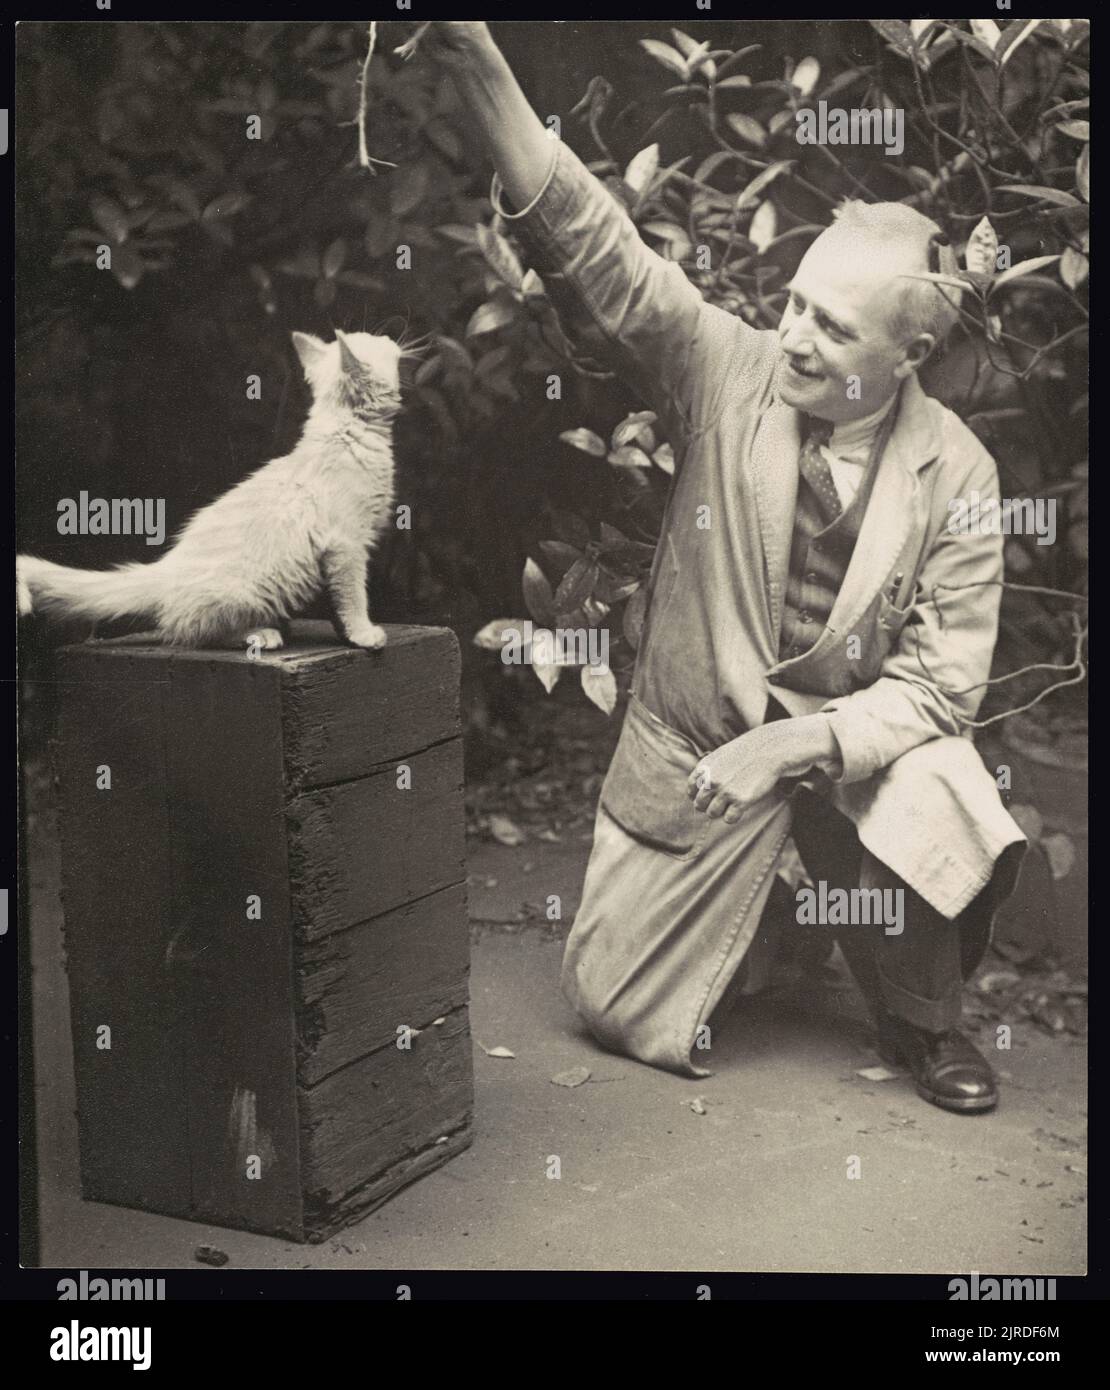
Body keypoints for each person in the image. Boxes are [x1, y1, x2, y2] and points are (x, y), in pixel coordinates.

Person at [431, 21, 1026, 1112]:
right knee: (612, 1003)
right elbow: (605, 257)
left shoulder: (961, 469)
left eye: (833, 329)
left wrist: (800, 742)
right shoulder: (727, 371)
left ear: (909, 358)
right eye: (794, 302)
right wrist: (482, 70)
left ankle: (921, 1016)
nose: (793, 336)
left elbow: (942, 686)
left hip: (846, 767)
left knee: (942, 772)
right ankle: (776, 931)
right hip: (699, 758)